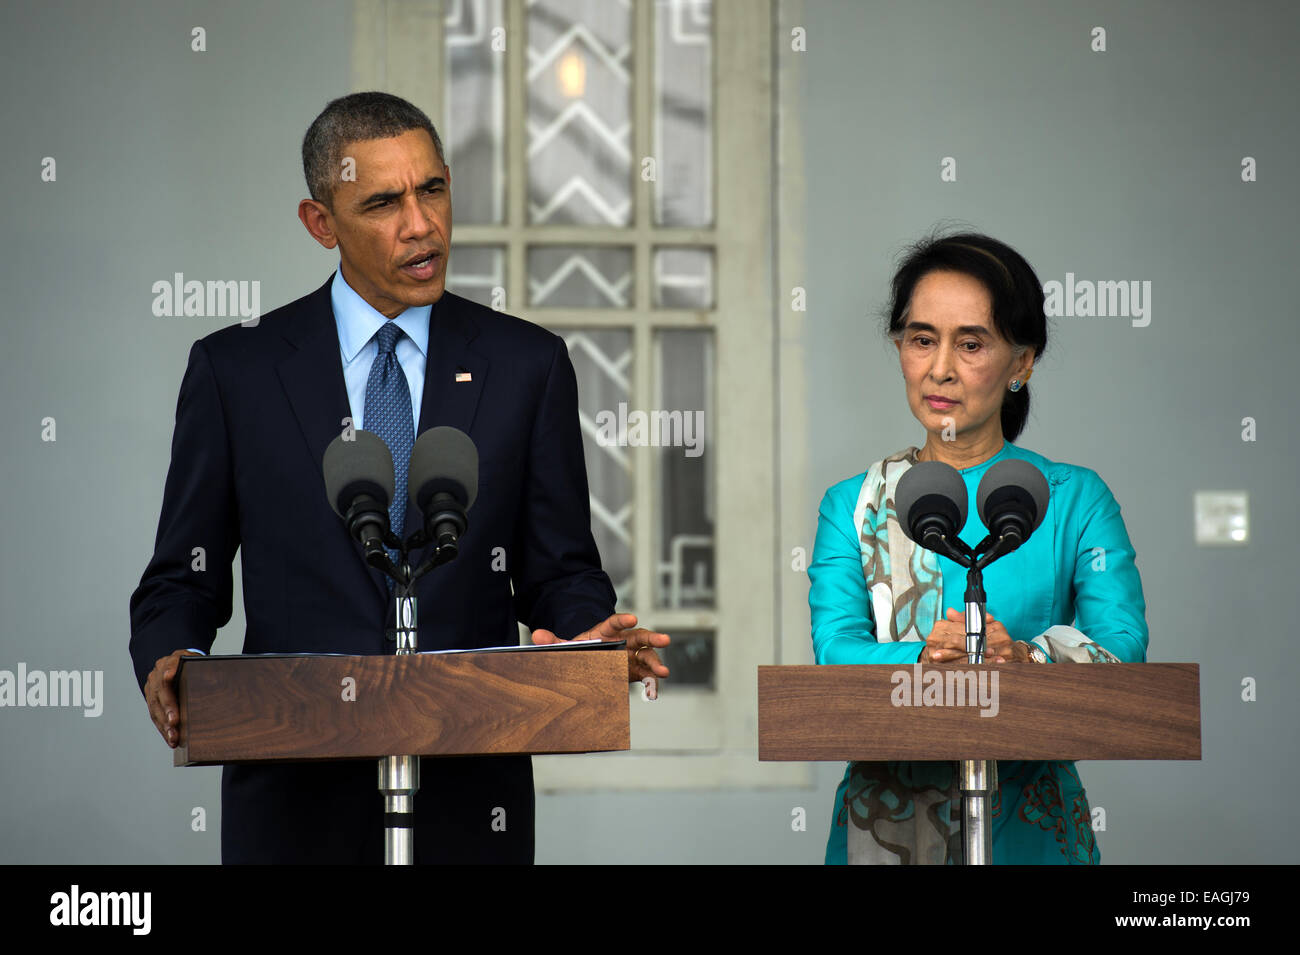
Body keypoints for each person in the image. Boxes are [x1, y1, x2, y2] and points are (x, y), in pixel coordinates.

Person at [128, 91, 669, 864]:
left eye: (434, 190)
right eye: (383, 202)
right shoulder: (237, 370)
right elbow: (180, 580)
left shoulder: (527, 365)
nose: (421, 225)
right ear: (322, 223)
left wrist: (587, 638)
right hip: (293, 800)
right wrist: (170, 658)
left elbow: (560, 571)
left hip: (469, 800)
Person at [808, 230, 1148, 864]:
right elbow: (836, 655)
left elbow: (1121, 646)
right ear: (899, 348)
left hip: (1031, 825)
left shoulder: (1075, 497)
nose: (940, 369)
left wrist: (1024, 660)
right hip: (885, 826)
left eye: (971, 343)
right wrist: (929, 656)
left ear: (1022, 361)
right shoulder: (853, 504)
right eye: (921, 339)